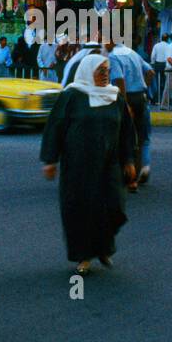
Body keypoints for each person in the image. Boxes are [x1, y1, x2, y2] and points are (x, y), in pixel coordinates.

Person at [40, 54, 137, 275]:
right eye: (100, 70)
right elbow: (56, 126)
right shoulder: (72, 96)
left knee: (114, 206)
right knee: (81, 210)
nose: (105, 75)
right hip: (78, 166)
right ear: (87, 71)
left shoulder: (115, 97)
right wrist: (50, 160)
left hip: (109, 163)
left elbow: (126, 132)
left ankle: (103, 247)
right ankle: (84, 255)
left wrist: (129, 160)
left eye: (107, 70)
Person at [106, 39, 154, 187]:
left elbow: (119, 80)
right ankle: (141, 171)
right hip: (140, 96)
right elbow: (150, 72)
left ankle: (129, 176)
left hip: (126, 98)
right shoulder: (132, 53)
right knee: (141, 136)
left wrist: (125, 103)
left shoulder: (113, 56)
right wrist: (144, 87)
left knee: (125, 136)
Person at [150, 34, 172, 101]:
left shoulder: (156, 45)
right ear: (167, 39)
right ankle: (165, 99)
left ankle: (157, 99)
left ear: (161, 38)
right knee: (166, 82)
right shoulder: (169, 46)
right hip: (166, 65)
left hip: (158, 65)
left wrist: (153, 63)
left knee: (157, 82)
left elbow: (153, 56)